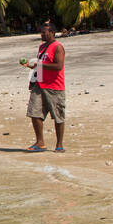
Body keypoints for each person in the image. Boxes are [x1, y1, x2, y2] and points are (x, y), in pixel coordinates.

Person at [24, 20, 66, 152]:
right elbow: (40, 65)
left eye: (44, 32)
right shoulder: (41, 48)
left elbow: (58, 66)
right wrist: (34, 77)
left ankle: (59, 145)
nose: (41, 34)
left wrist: (40, 65)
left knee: (58, 116)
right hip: (40, 85)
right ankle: (40, 142)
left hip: (54, 86)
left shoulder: (58, 47)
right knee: (34, 113)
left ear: (52, 33)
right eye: (41, 32)